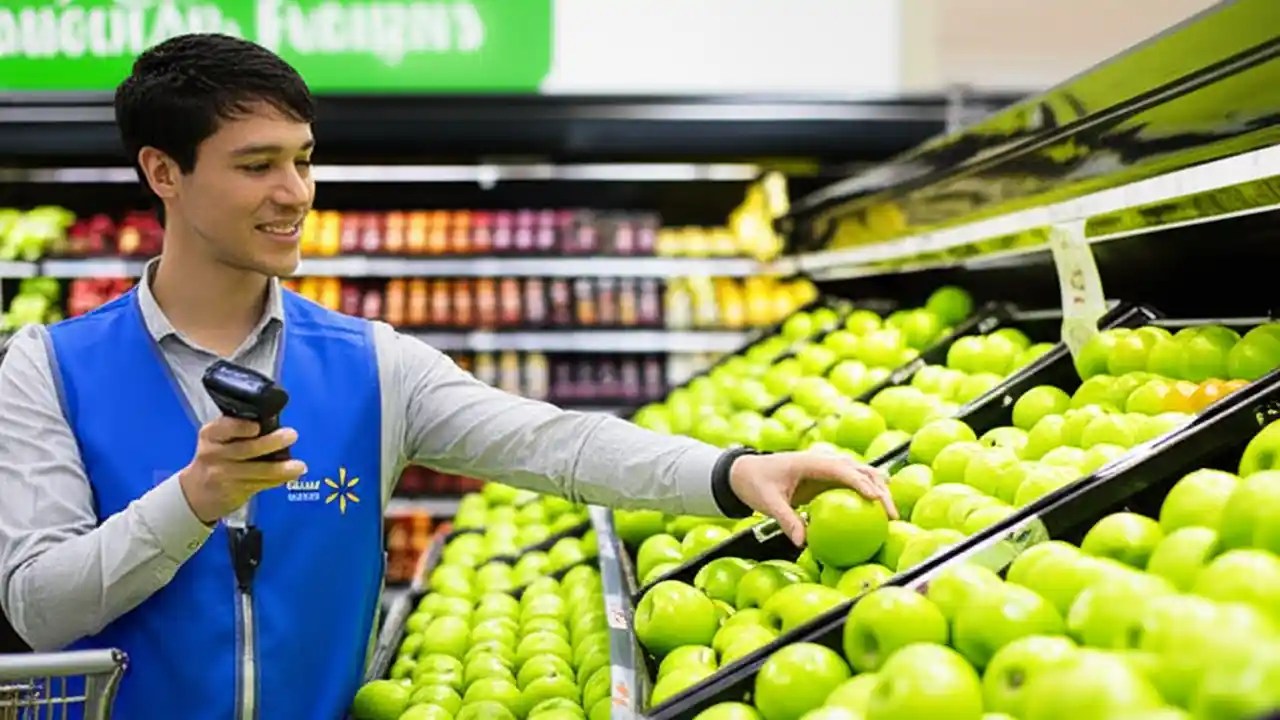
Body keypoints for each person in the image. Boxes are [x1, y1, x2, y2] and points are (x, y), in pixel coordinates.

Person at [0, 33, 895, 720]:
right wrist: (192, 499)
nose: (297, 192)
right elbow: (40, 607)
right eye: (257, 165)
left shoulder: (370, 362)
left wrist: (731, 472)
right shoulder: (49, 367)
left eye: (303, 159)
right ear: (164, 172)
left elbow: (555, 443)